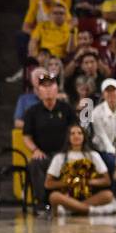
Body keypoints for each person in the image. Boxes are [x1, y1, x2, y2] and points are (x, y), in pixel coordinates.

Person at [21, 71, 77, 205]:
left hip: (64, 153)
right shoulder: (32, 112)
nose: (47, 90)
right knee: (34, 164)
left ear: (57, 89)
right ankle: (43, 202)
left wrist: (71, 149)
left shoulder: (67, 109)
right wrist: (35, 150)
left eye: (51, 85)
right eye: (44, 86)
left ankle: (70, 200)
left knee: (74, 163)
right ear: (38, 90)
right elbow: (26, 136)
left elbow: (75, 131)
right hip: (44, 154)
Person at [45, 124, 116, 216]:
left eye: (79, 133)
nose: (76, 136)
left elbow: (107, 181)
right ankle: (91, 211)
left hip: (88, 196)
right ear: (68, 138)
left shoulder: (93, 155)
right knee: (54, 197)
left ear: (84, 136)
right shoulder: (60, 157)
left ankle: (72, 210)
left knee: (108, 195)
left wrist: (86, 181)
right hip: (67, 197)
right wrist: (69, 182)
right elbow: (48, 184)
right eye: (72, 134)